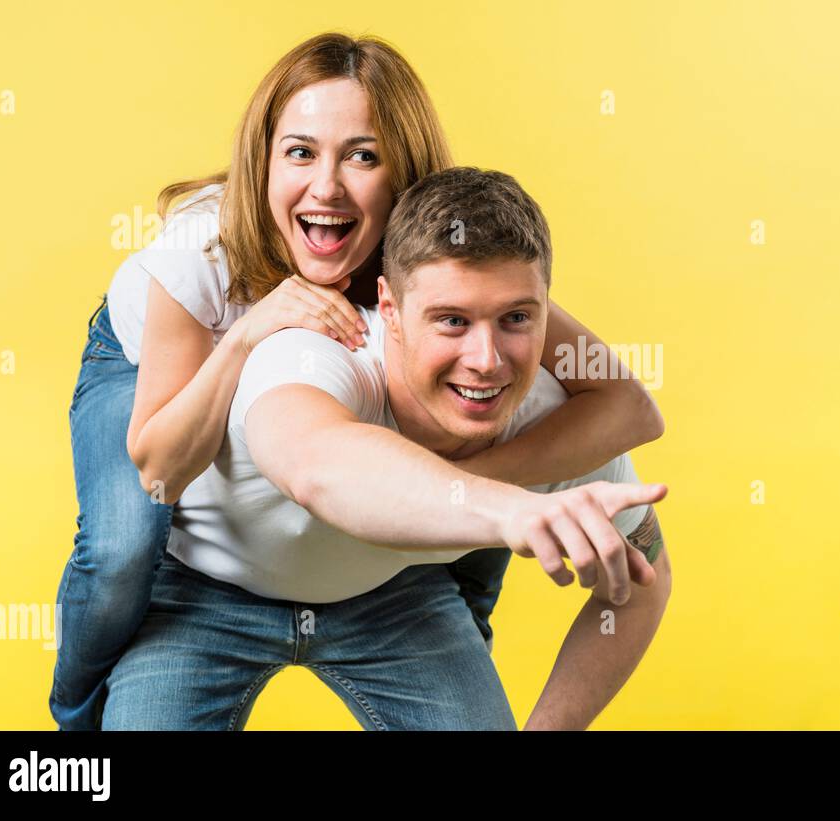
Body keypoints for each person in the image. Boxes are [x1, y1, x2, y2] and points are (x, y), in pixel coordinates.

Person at [51, 33, 663, 730]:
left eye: (363, 155)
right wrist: (248, 333)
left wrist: (478, 485)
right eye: (301, 152)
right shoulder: (203, 252)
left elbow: (627, 403)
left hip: (363, 522)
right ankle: (77, 720)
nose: (327, 186)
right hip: (145, 362)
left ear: (402, 174)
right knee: (123, 547)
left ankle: (451, 627)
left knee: (467, 434)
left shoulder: (449, 262)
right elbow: (161, 464)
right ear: (264, 161)